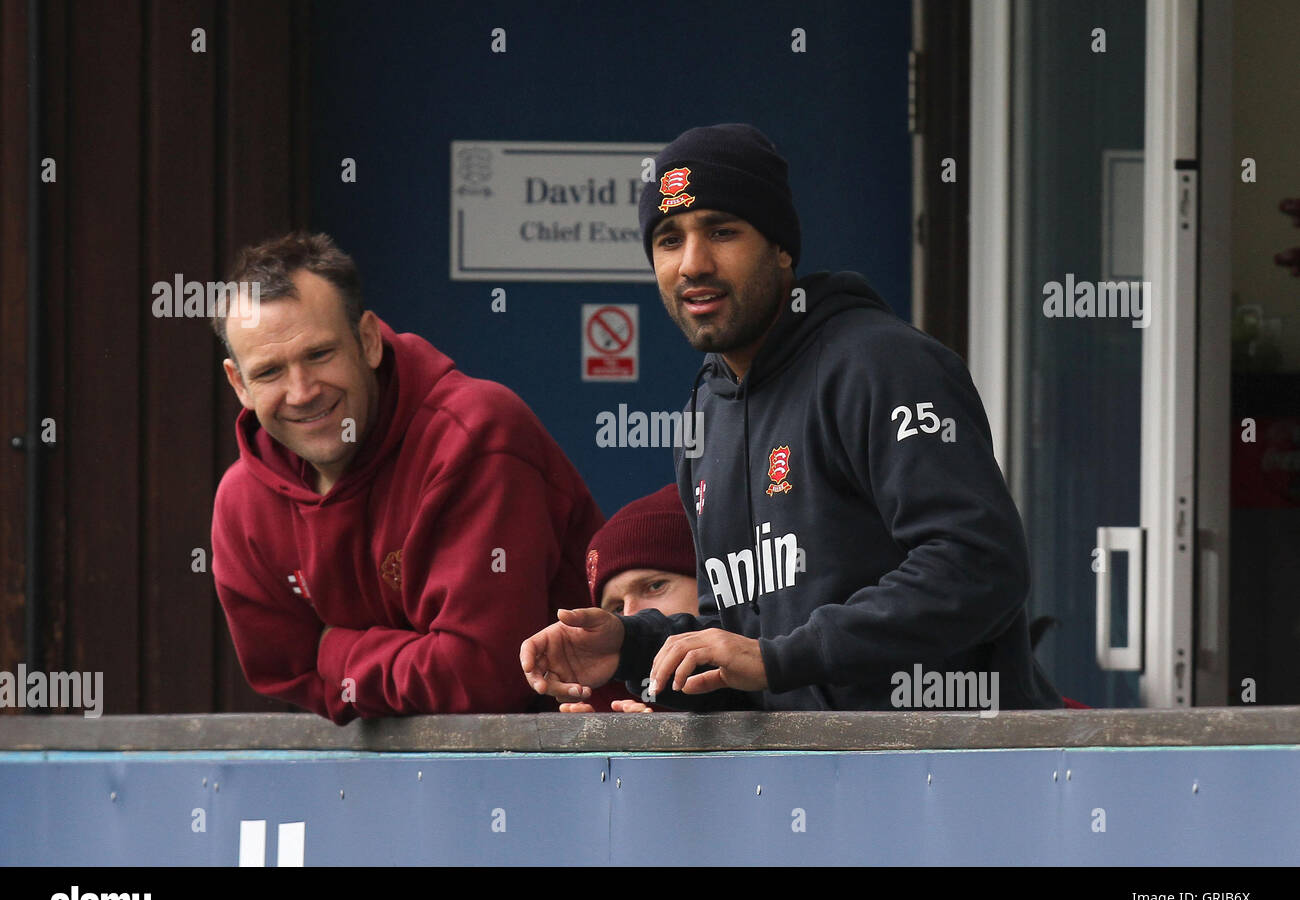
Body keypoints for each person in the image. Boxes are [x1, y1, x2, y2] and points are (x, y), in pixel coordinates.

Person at [522, 123, 1062, 713]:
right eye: (669, 240)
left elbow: (978, 564)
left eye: (722, 232)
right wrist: (631, 648)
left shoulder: (881, 365)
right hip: (801, 786)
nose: (693, 264)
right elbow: (738, 635)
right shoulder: (705, 409)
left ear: (781, 248)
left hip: (953, 773)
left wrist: (777, 660)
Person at [211, 232, 602, 724]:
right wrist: (408, 668)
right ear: (238, 384)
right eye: (269, 372)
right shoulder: (242, 501)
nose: (302, 391)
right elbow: (282, 673)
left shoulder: (475, 433)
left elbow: (480, 678)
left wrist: (333, 652)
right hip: (386, 785)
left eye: (319, 354)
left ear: (369, 340)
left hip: (574, 767)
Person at [560, 483, 703, 714]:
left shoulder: (770, 673)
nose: (631, 615)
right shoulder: (613, 706)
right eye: (616, 608)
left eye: (654, 586)